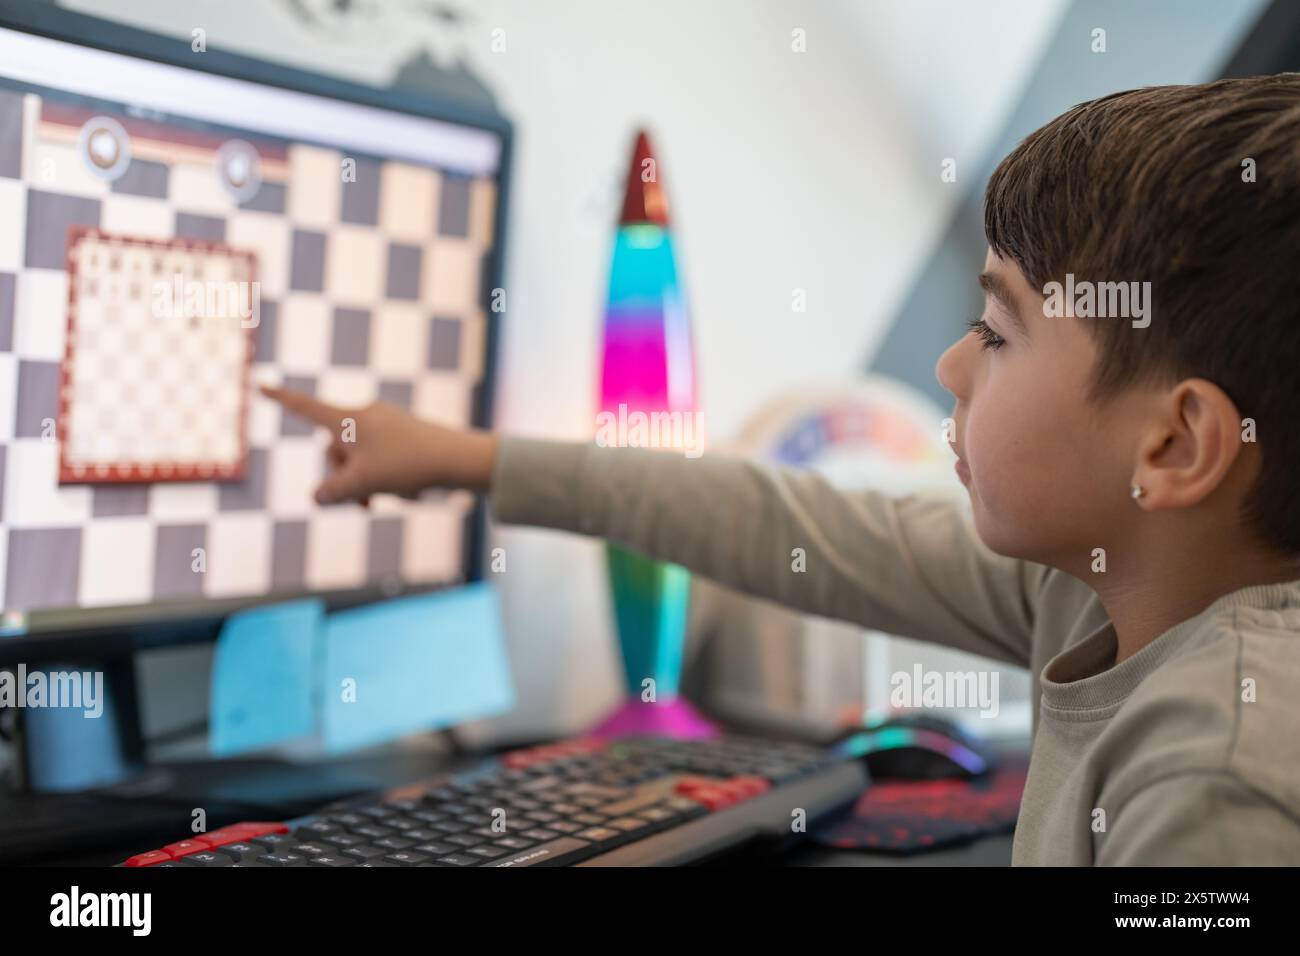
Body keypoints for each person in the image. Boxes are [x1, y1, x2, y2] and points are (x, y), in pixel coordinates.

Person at [263, 74, 1300, 865]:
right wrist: (465, 457)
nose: (948, 365)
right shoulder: (1096, 589)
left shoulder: (1217, 771)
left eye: (995, 331)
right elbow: (788, 526)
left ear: (1172, 446)